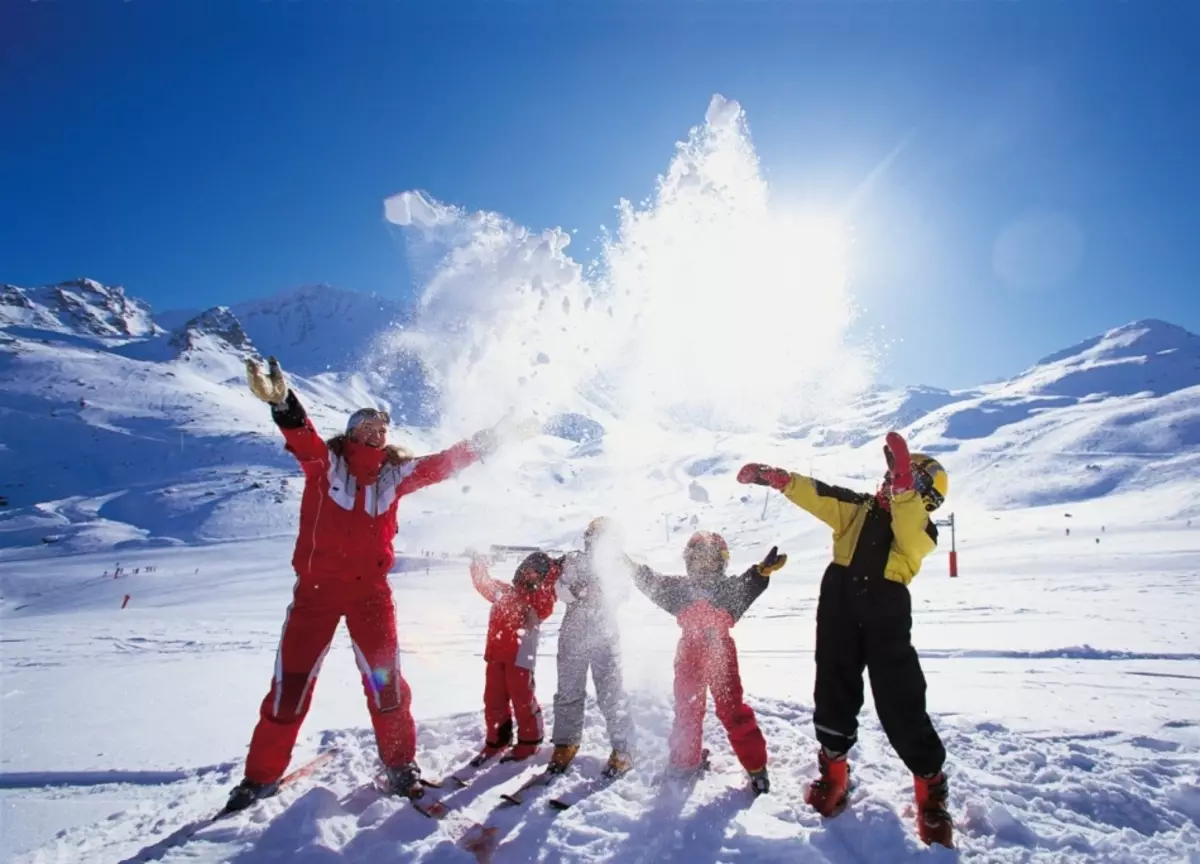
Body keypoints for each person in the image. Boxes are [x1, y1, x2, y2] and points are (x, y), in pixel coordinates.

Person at [227, 356, 528, 810]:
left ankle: (400, 765)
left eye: (384, 426)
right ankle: (260, 777)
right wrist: (282, 401)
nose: (378, 430)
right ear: (351, 432)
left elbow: (446, 462)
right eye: (368, 423)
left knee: (387, 687)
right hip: (316, 597)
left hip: (371, 596)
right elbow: (302, 438)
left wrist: (495, 439)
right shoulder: (327, 466)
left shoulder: (394, 476)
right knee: (290, 687)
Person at [736, 430, 953, 847]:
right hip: (839, 604)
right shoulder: (858, 509)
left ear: (928, 497)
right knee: (833, 691)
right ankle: (833, 774)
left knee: (901, 700)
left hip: (885, 611)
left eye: (908, 480)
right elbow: (820, 495)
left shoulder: (921, 531)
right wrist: (780, 479)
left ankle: (931, 793)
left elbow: (906, 526)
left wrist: (906, 488)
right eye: (893, 475)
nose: (894, 483)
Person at [630, 532, 787, 795]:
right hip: (688, 653)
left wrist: (762, 572)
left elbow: (750, 584)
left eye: (710, 560)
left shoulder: (729, 590)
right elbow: (653, 583)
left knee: (732, 710)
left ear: (721, 563)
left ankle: (756, 768)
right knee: (687, 709)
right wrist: (632, 569)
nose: (704, 565)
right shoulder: (680, 589)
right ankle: (684, 762)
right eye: (698, 559)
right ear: (689, 562)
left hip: (720, 653)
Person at [546, 517, 635, 778]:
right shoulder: (573, 560)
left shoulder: (617, 565)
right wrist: (574, 591)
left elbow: (623, 594)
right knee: (568, 690)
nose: (596, 541)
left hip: (604, 633)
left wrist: (602, 592)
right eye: (593, 536)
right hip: (573, 633)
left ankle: (623, 748)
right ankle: (566, 742)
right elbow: (558, 590)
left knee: (611, 692)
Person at [470, 551, 561, 763]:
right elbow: (484, 584)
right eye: (526, 570)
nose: (529, 575)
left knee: (522, 698)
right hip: (495, 656)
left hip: (520, 656)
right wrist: (478, 563)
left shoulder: (539, 600)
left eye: (535, 572)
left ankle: (530, 742)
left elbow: (544, 606)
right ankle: (497, 740)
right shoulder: (505, 592)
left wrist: (549, 576)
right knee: (493, 700)